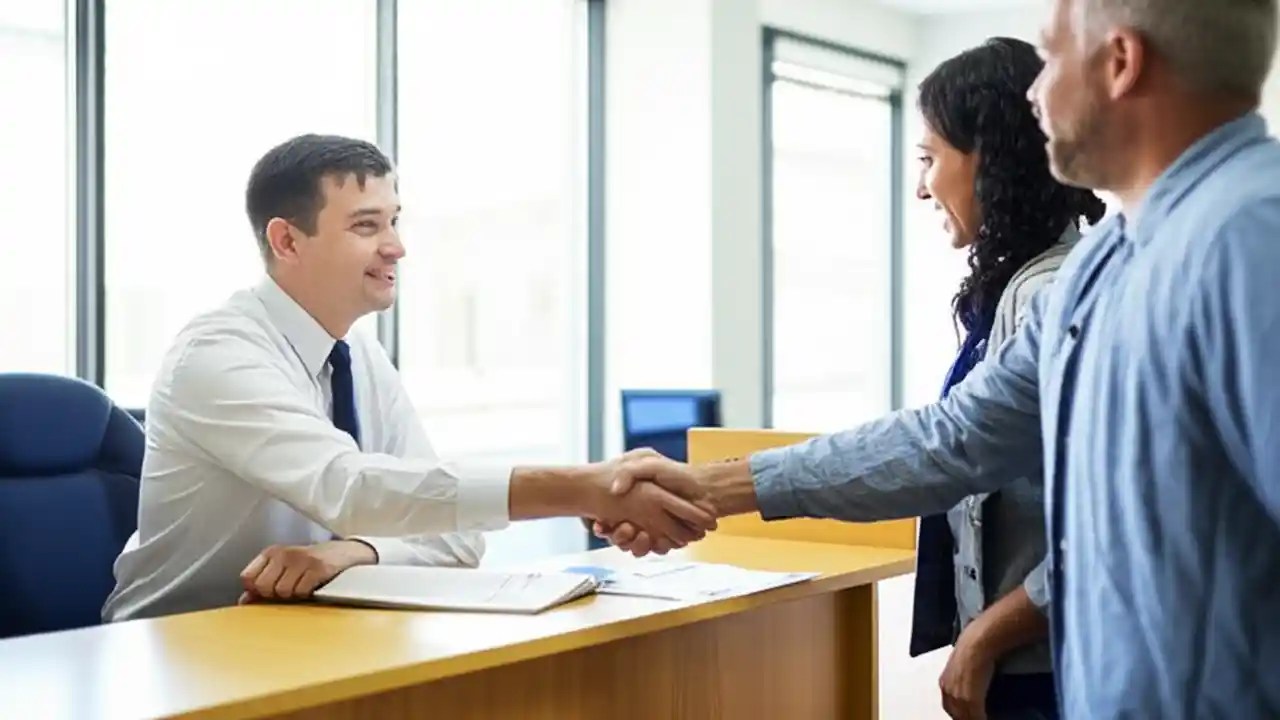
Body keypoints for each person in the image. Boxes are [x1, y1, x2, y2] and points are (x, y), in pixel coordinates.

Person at [600, 0, 1280, 716]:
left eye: (1049, 60)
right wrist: (705, 487)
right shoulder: (1101, 269)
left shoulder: (1248, 240)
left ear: (1119, 62)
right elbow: (952, 439)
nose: (1036, 95)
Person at [103, 135, 714, 622]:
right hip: (176, 645)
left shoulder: (357, 354)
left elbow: (457, 536)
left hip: (306, 635)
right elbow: (350, 488)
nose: (397, 247)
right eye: (367, 226)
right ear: (287, 240)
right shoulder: (217, 355)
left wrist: (353, 552)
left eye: (395, 221)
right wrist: (582, 486)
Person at [911, 37, 1104, 720]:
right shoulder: (1014, 291)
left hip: (1048, 666)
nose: (920, 184)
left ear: (988, 162)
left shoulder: (1048, 297)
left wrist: (986, 638)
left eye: (930, 158)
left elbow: (1102, 522)